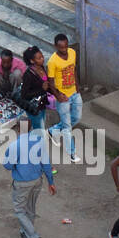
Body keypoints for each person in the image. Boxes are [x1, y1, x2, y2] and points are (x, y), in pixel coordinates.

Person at [3, 123, 56, 238]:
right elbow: (46, 163)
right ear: (31, 128)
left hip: (22, 183)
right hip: (38, 180)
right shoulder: (39, 141)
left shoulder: (15, 145)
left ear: (18, 129)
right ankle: (25, 233)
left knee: (20, 210)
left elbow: (8, 166)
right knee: (31, 208)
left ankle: (34, 237)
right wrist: (51, 182)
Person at [46, 32, 81, 162]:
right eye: (61, 47)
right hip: (62, 97)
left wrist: (78, 87)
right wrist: (58, 96)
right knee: (67, 126)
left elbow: (74, 70)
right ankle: (72, 153)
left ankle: (53, 130)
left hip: (75, 92)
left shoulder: (72, 52)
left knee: (76, 118)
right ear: (55, 46)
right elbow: (50, 82)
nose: (64, 50)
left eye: (66, 46)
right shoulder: (52, 61)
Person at [18, 46, 53, 131]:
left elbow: (46, 85)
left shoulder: (41, 68)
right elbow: (24, 95)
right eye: (39, 58)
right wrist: (42, 90)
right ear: (32, 61)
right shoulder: (28, 75)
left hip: (42, 104)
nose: (42, 59)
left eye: (42, 56)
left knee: (41, 125)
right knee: (39, 129)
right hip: (33, 107)